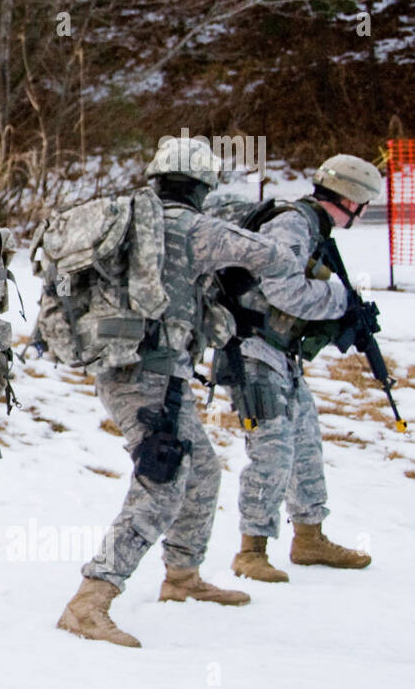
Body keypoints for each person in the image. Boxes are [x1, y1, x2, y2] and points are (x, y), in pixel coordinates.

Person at [56, 135, 336, 648]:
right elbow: (271, 258)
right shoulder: (191, 227)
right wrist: (322, 277)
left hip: (126, 366)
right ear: (203, 187)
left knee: (201, 468)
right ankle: (91, 599)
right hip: (152, 376)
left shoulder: (130, 220)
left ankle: (181, 577)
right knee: (163, 477)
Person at [223, 155, 383, 582]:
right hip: (253, 350)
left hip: (281, 353)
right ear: (353, 200)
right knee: (271, 449)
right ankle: (251, 550)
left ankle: (309, 537)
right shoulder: (292, 225)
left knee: (306, 446)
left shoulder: (313, 228)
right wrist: (340, 300)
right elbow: (285, 292)